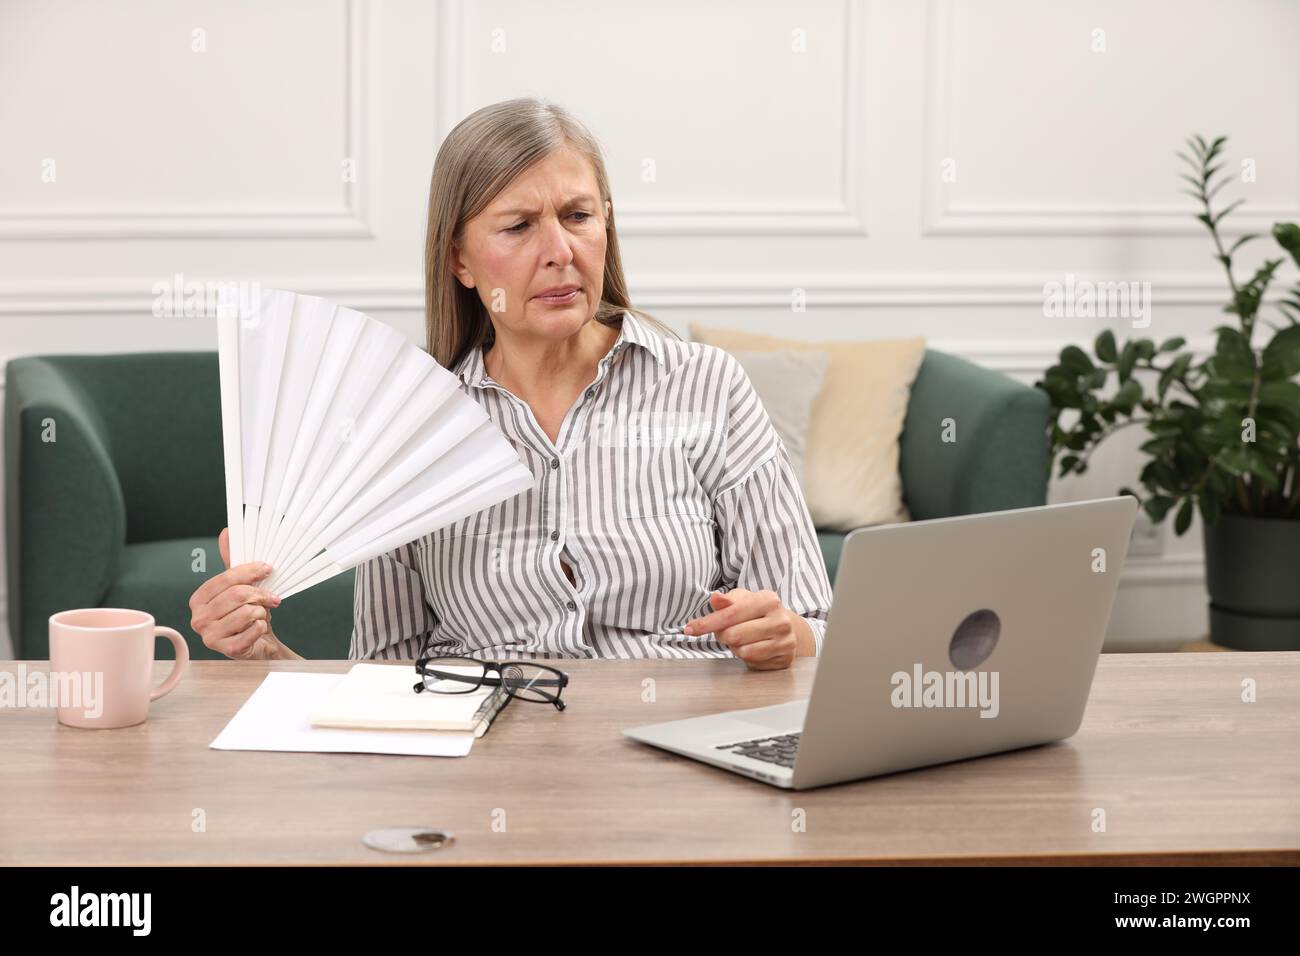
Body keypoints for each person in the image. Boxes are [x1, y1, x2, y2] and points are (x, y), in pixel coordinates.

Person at [189, 97, 833, 671]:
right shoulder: (405, 431)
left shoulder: (708, 386)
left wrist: (792, 637)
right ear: (459, 260)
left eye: (577, 216)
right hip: (489, 758)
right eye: (519, 226)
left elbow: (818, 625)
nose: (560, 250)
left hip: (679, 743)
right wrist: (263, 653)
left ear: (605, 226)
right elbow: (383, 681)